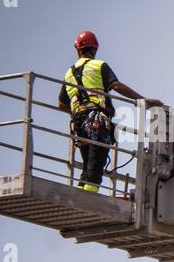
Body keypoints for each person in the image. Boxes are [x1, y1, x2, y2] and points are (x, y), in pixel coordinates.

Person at [57, 30, 160, 192]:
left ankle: (80, 193)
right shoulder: (99, 65)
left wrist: (79, 110)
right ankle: (88, 198)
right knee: (96, 164)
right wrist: (142, 100)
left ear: (77, 49)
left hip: (78, 122)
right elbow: (116, 85)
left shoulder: (69, 73)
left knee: (87, 164)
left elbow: (61, 104)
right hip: (97, 120)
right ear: (95, 49)